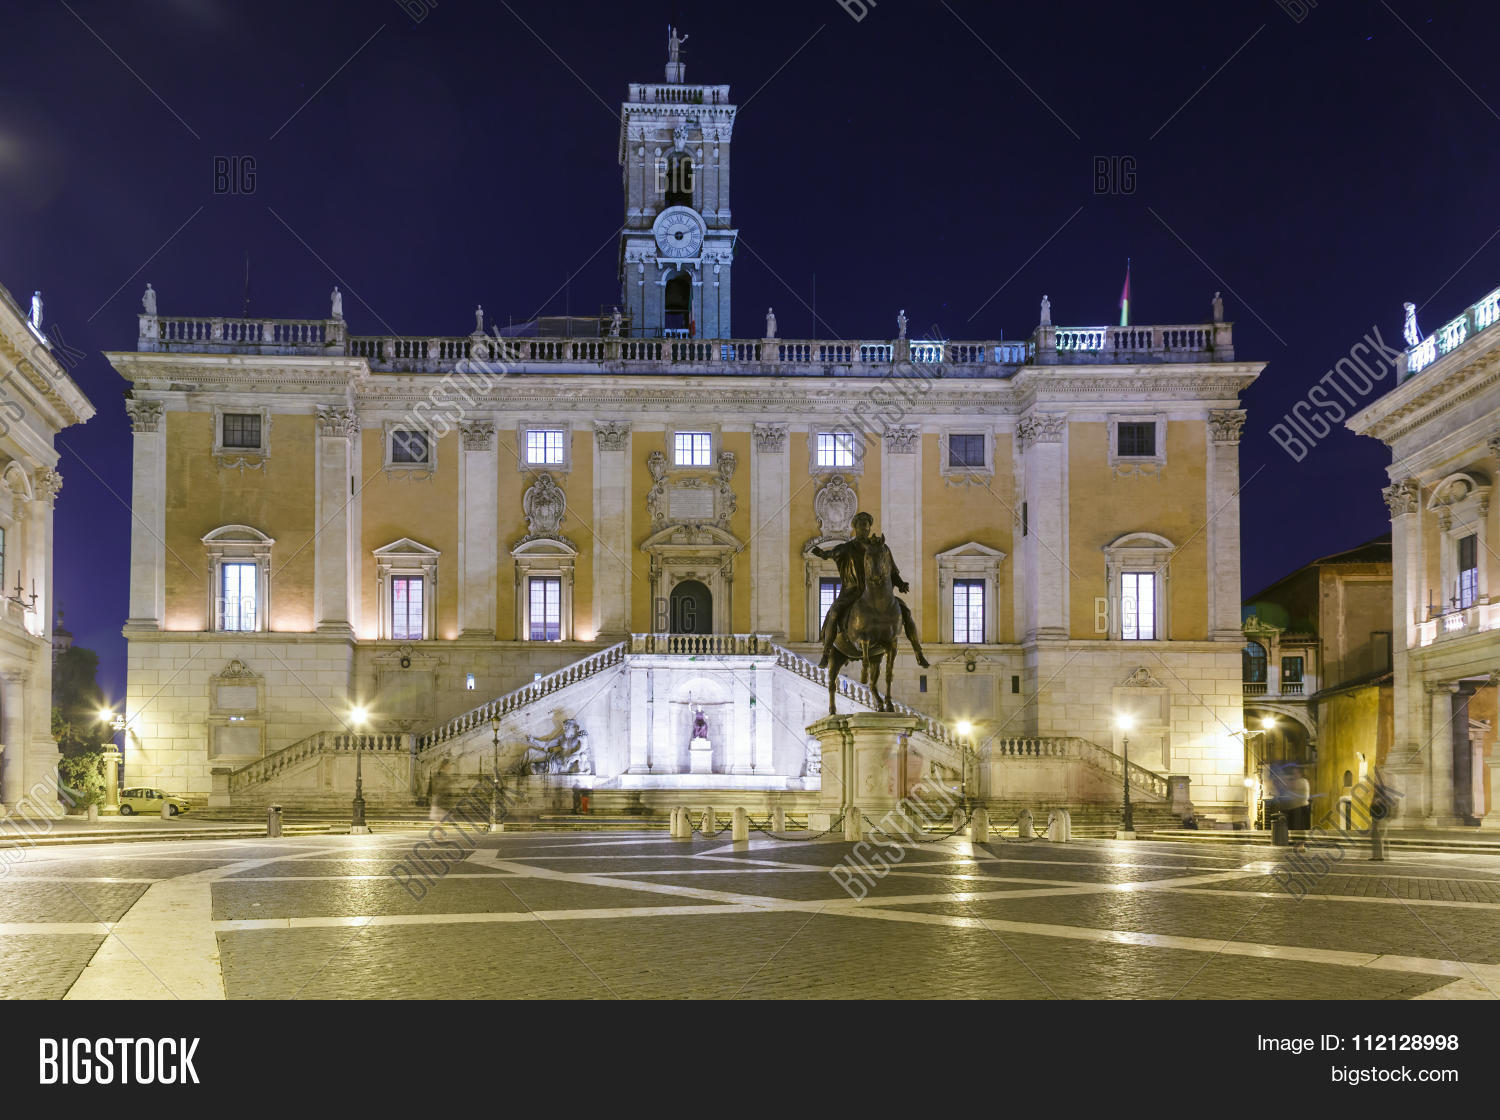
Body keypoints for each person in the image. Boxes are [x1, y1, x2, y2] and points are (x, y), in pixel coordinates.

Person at [814, 512, 929, 669]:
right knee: (834, 612)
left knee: (906, 612)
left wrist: (900, 584)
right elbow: (833, 553)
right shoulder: (847, 548)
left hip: (878, 594)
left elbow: (891, 570)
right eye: (861, 527)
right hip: (853, 592)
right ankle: (826, 654)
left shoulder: (881, 548)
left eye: (866, 527)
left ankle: (918, 652)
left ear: (869, 528)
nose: (864, 530)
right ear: (855, 528)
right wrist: (823, 554)